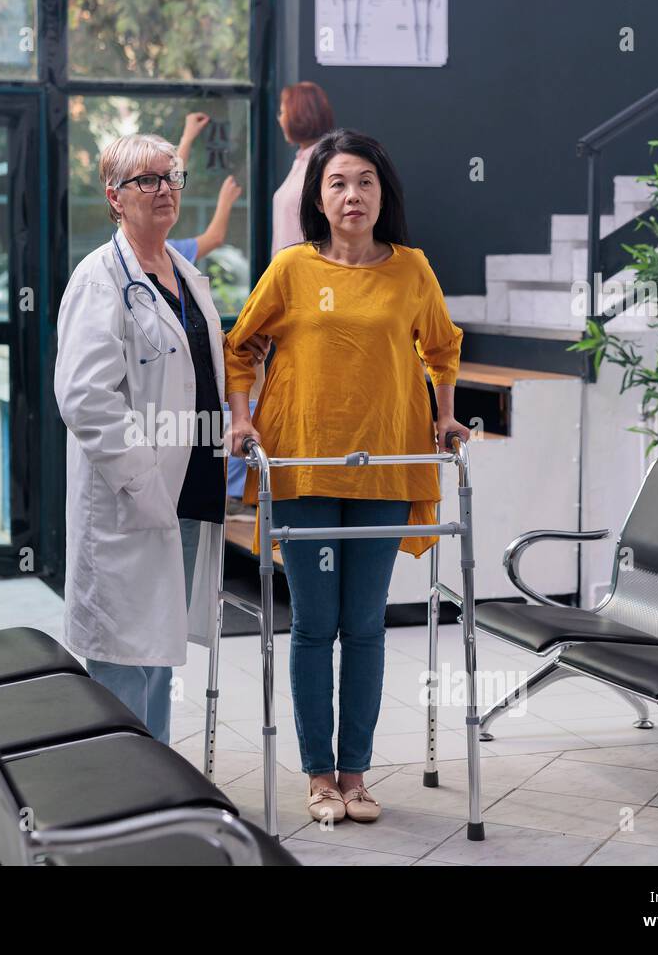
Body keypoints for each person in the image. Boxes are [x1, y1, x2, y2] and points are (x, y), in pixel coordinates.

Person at [224, 129, 469, 823]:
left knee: (364, 625)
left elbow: (443, 346)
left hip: (386, 465)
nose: (352, 194)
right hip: (306, 464)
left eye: (364, 180)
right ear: (319, 197)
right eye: (337, 183)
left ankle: (356, 775)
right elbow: (240, 347)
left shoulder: (411, 270)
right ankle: (317, 776)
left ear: (381, 192)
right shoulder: (291, 269)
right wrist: (242, 421)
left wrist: (444, 416)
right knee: (312, 625)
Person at [54, 133, 230, 744]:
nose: (164, 190)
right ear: (115, 198)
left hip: (184, 494)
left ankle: (154, 790)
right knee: (123, 660)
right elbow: (85, 397)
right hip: (134, 502)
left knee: (156, 647)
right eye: (147, 181)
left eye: (172, 177)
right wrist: (141, 481)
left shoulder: (182, 272)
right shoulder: (99, 280)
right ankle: (117, 799)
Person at [168, 112, 243, 264]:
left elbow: (172, 182)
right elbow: (213, 239)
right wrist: (225, 202)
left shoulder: (157, 250)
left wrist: (187, 139)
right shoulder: (167, 253)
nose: (163, 191)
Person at [272, 82, 335, 257]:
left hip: (309, 274)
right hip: (288, 271)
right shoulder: (301, 160)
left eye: (283, 112)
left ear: (299, 115)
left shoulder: (325, 163)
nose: (280, 119)